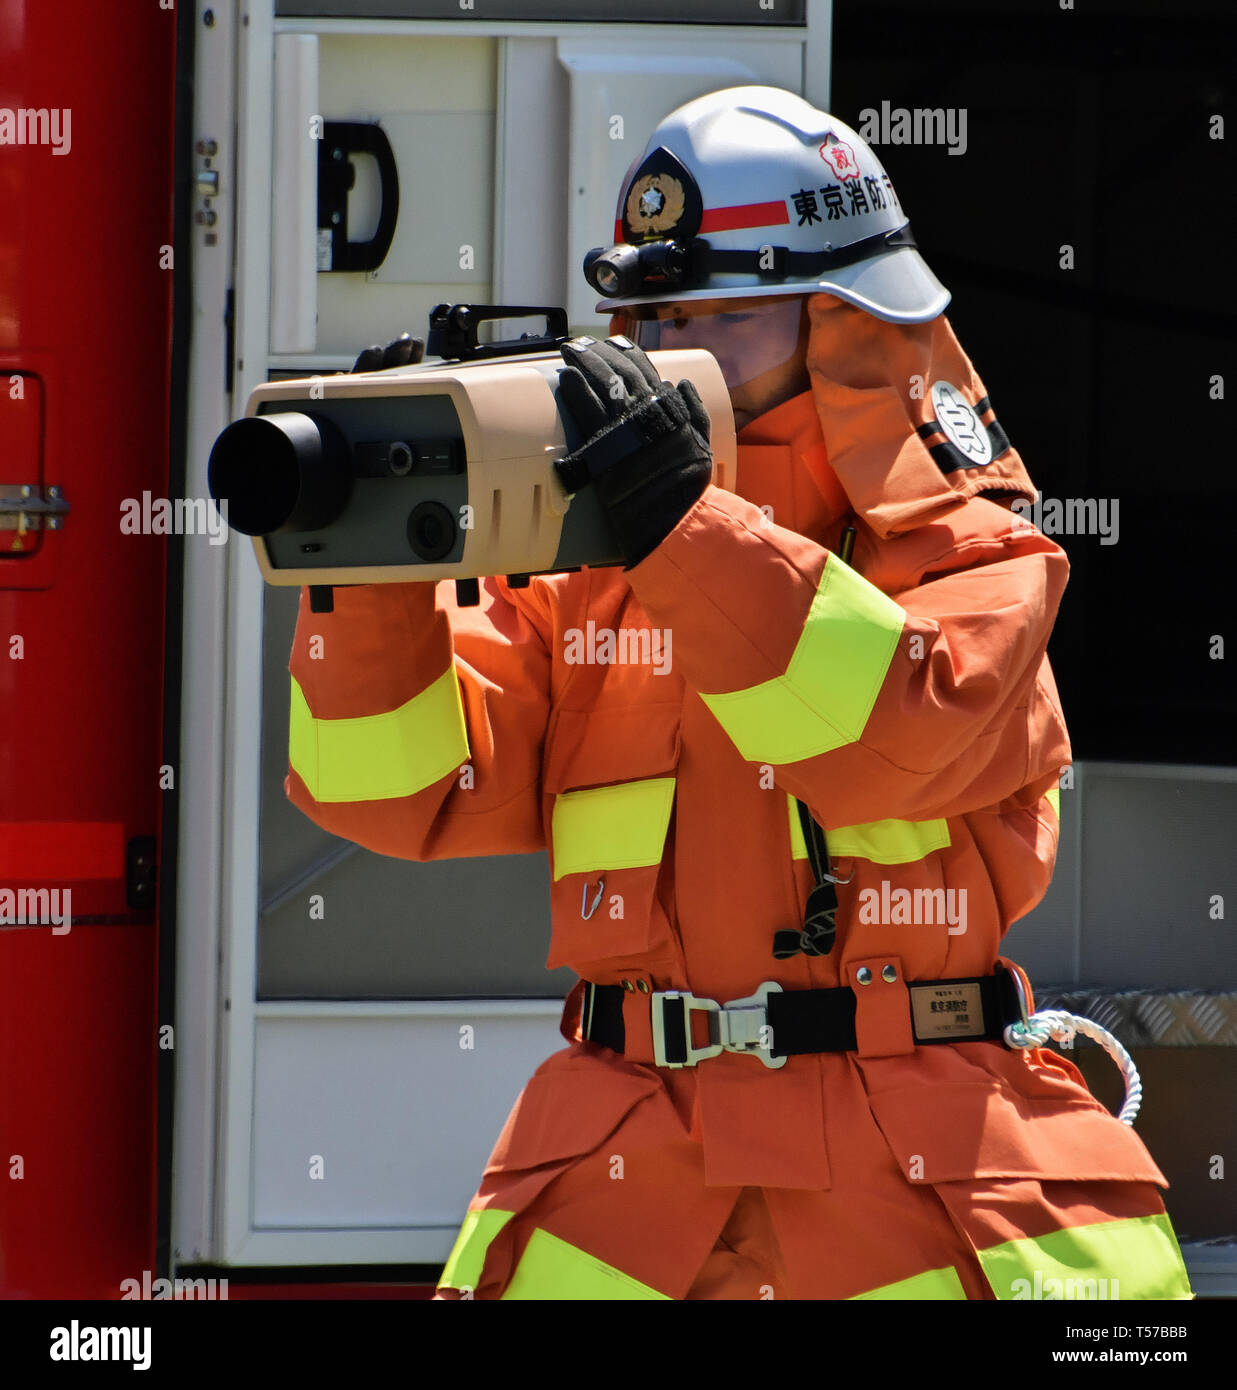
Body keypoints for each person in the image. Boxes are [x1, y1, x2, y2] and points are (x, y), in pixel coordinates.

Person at [285, 86, 1192, 1300]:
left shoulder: (981, 555)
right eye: (646, 319)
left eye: (716, 320)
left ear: (846, 328)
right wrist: (376, 554)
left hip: (920, 1182)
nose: (665, 360)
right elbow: (397, 796)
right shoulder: (588, 568)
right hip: (622, 1179)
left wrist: (682, 531)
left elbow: (891, 738)